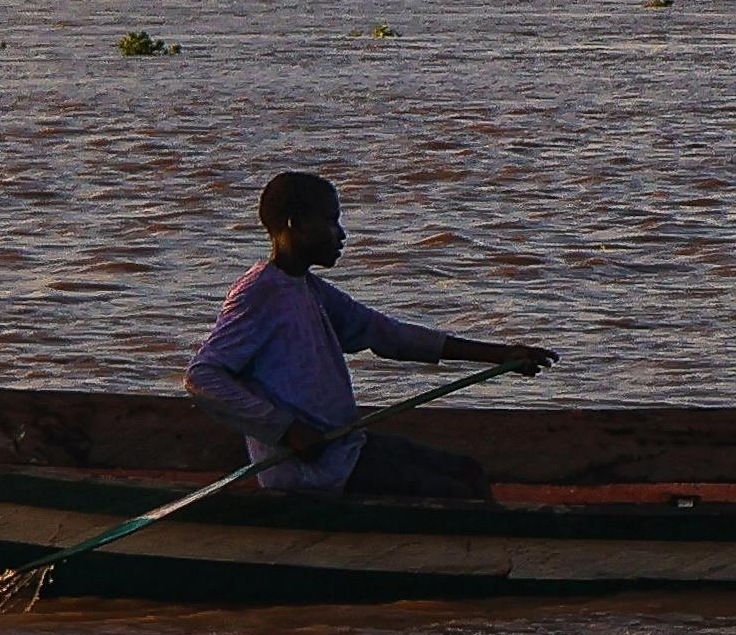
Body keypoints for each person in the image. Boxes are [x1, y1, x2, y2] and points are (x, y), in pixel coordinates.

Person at [188, 169, 544, 504]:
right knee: (453, 493)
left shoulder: (310, 289)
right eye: (331, 221)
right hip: (309, 470)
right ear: (298, 225)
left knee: (469, 472)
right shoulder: (258, 293)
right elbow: (203, 377)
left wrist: (500, 355)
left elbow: (388, 334)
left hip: (344, 447)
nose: (341, 234)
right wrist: (286, 430)